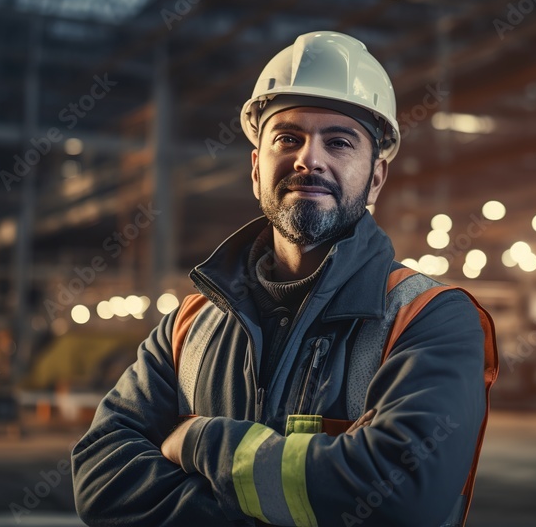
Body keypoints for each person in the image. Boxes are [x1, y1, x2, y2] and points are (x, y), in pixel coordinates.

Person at [72, 30, 498, 527]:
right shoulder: (189, 325)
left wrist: (200, 441)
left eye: (338, 142)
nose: (309, 159)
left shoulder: (430, 319)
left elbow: (401, 499)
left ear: (376, 177)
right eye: (287, 139)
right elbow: (100, 480)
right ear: (256, 169)